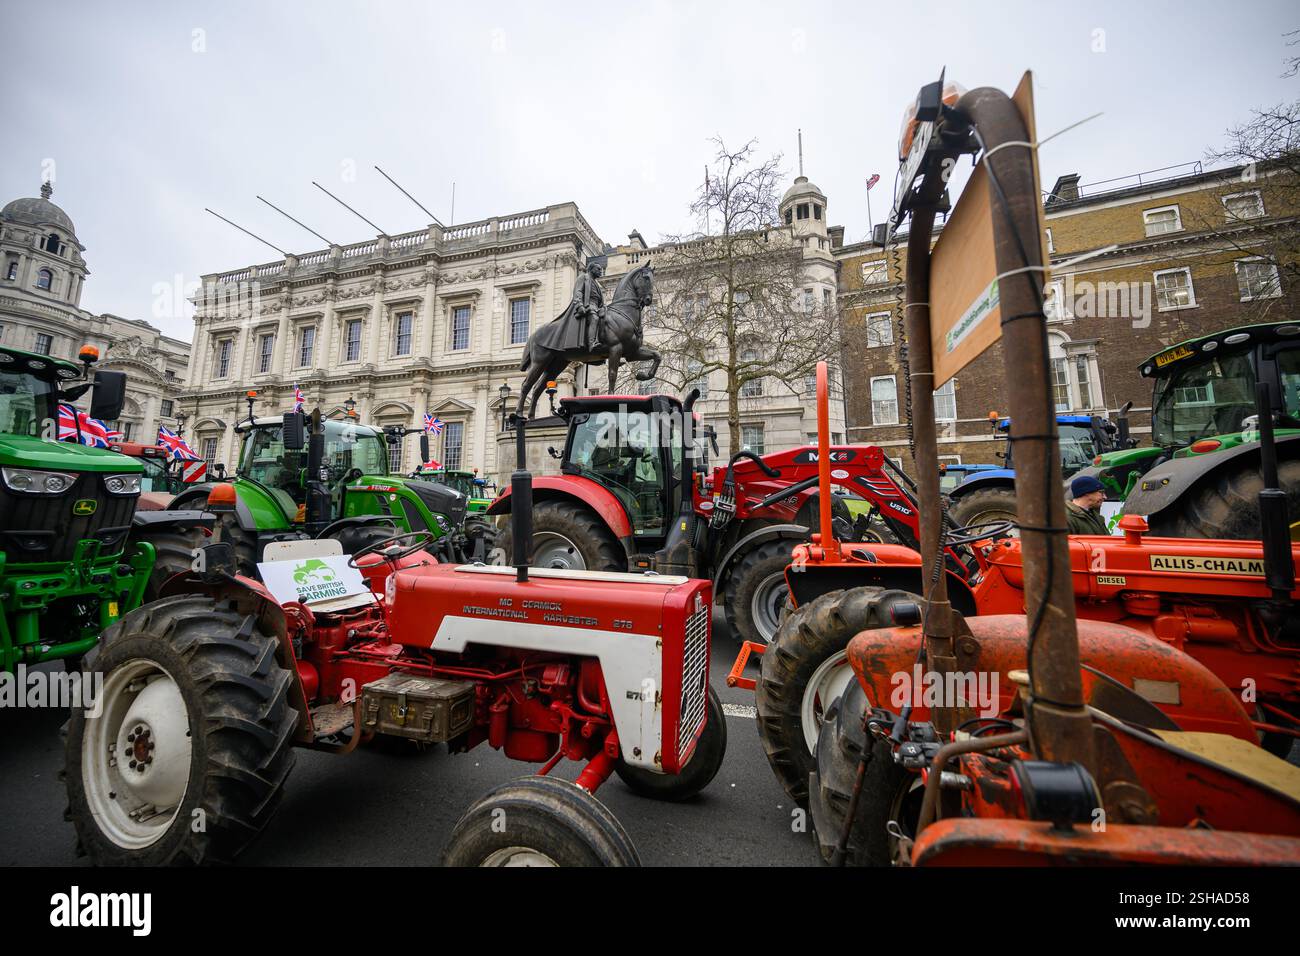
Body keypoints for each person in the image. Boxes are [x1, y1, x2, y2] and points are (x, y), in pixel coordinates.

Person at [531, 255, 608, 353]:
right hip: (588, 306)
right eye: (598, 269)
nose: (600, 271)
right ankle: (592, 343)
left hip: (597, 306)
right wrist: (579, 305)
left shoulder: (596, 283)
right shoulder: (583, 277)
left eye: (600, 269)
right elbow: (578, 292)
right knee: (595, 318)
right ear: (591, 269)